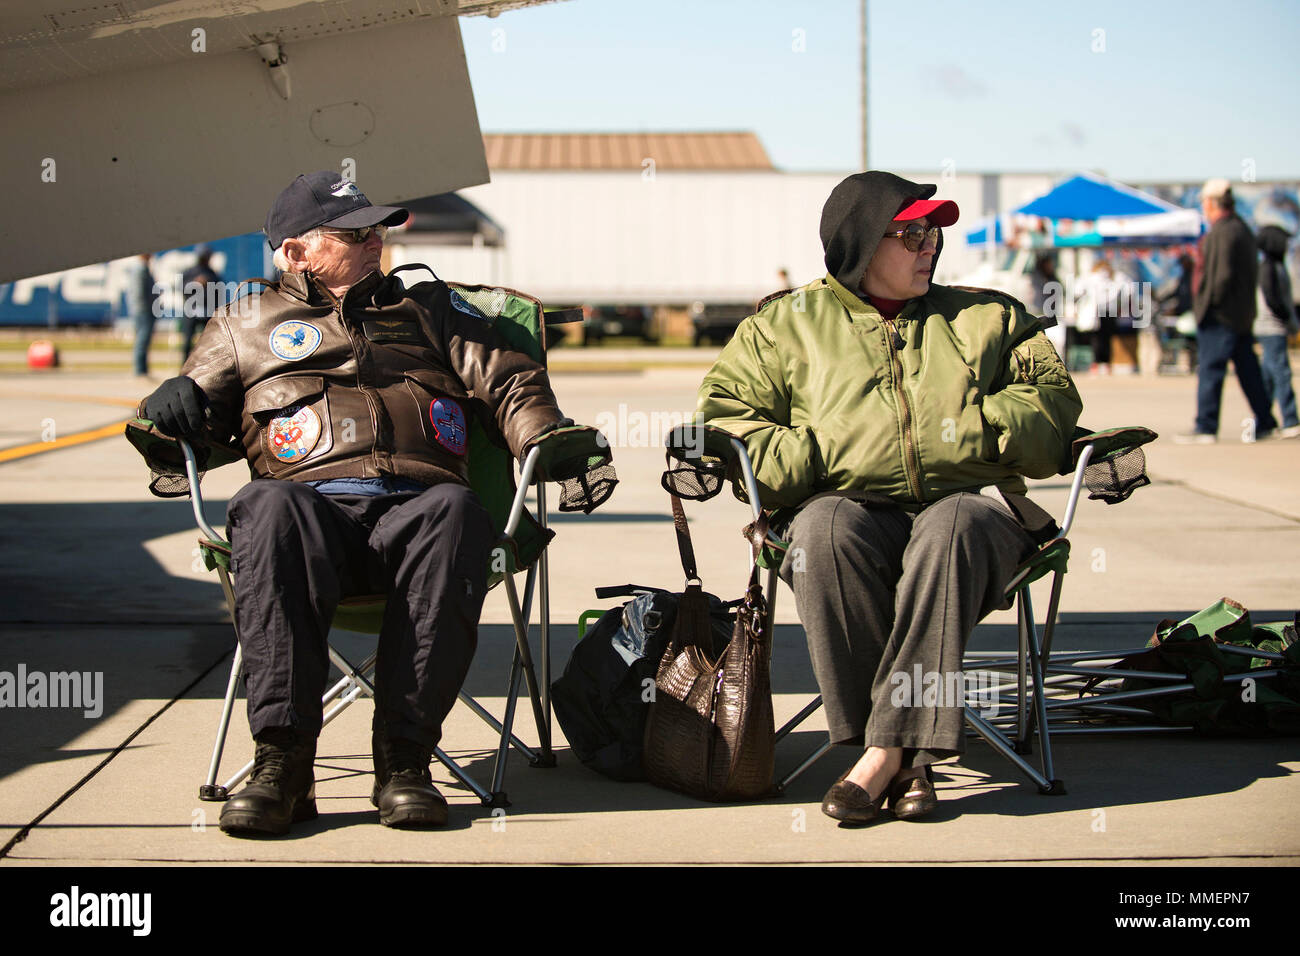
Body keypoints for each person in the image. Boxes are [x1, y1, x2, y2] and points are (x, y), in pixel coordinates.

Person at [140, 171, 603, 836]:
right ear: (295, 251)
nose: (375, 242)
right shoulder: (242, 323)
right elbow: (193, 417)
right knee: (264, 506)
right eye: (354, 233)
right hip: (307, 516)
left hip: (419, 510)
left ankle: (405, 763)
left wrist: (548, 438)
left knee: (455, 513)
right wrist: (164, 411)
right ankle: (283, 766)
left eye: (379, 229)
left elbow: (511, 382)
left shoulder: (432, 309)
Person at [696, 171, 1082, 825]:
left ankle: (881, 751)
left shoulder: (990, 318)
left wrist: (974, 432)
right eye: (911, 234)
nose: (929, 245)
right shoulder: (783, 327)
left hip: (970, 510)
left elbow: (1053, 410)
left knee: (950, 527)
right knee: (822, 530)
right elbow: (728, 421)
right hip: (843, 512)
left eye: (933, 233)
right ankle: (912, 762)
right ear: (861, 245)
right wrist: (822, 455)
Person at [1176, 178, 1277, 443]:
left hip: (1221, 316)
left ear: (1211, 203)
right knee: (1248, 370)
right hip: (1239, 314)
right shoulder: (1240, 228)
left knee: (1210, 370)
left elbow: (1220, 276)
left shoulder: (1223, 231)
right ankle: (1266, 421)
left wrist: (1206, 307)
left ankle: (1206, 426)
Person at [1254, 225, 1300, 439]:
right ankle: (1290, 419)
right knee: (1281, 372)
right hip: (1271, 327)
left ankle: (1262, 419)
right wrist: (1285, 318)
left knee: (1268, 377)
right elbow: (1273, 298)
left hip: (1272, 326)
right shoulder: (1268, 267)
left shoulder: (1276, 265)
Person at [178, 245, 222, 363]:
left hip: (207, 311)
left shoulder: (213, 274)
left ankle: (205, 365)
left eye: (206, 256)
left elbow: (219, 293)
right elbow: (182, 289)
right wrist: (195, 283)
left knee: (208, 341)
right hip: (191, 311)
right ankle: (185, 366)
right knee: (187, 341)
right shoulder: (189, 272)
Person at [130, 254, 159, 378]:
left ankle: (143, 369)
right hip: (143, 311)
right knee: (142, 339)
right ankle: (140, 370)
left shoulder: (145, 269)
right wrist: (146, 308)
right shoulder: (140, 270)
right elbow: (138, 293)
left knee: (144, 340)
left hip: (145, 310)